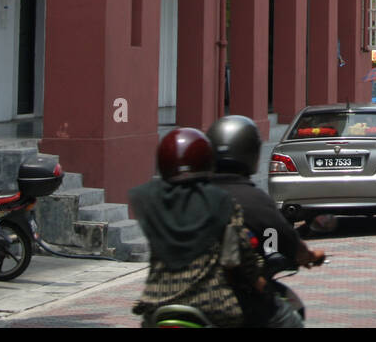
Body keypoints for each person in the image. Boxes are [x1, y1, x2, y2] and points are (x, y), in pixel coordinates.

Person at [129, 127, 264, 328]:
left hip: (156, 305)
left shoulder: (151, 204)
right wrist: (257, 278)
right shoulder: (222, 202)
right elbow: (233, 257)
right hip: (211, 305)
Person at [206, 115, 325, 328]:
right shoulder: (254, 201)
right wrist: (308, 255)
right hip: (234, 300)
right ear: (252, 152)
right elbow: (286, 240)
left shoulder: (190, 197)